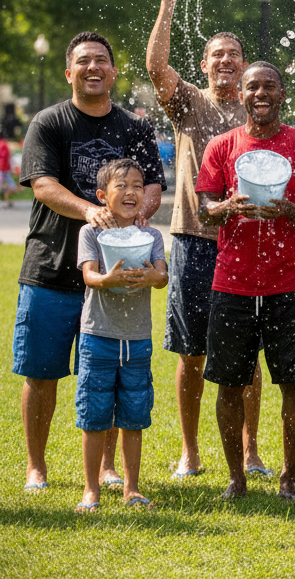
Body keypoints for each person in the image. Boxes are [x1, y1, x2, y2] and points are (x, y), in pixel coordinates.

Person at [15, 32, 164, 492]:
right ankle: (36, 466)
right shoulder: (49, 122)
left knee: (110, 374)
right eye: (83, 61)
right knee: (42, 372)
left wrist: (139, 212)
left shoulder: (135, 128)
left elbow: (153, 186)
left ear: (114, 72)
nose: (93, 67)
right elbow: (42, 184)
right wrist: (90, 210)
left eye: (101, 60)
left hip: (116, 275)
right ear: (69, 72)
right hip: (51, 268)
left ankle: (107, 468)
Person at [146, 0, 269, 480]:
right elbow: (156, 67)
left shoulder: (258, 110)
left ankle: (251, 451)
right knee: (191, 351)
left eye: (234, 55)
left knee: (248, 353)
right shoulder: (190, 103)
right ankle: (190, 452)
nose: (226, 61)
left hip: (247, 245)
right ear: (204, 65)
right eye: (217, 54)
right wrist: (168, 4)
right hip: (194, 241)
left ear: (244, 65)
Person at [196, 62, 295, 500]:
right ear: (240, 94)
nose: (260, 94)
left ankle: (289, 476)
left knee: (294, 383)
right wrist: (229, 207)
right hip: (231, 284)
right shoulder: (222, 146)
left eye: (270, 86)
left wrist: (287, 209)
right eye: (252, 87)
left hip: (287, 284)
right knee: (229, 384)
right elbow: (204, 212)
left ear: (282, 94)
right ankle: (237, 477)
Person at [74, 159, 168, 512]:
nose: (131, 192)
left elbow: (162, 276)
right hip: (98, 335)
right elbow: (90, 277)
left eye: (137, 186)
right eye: (122, 186)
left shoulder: (150, 236)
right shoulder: (91, 233)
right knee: (94, 416)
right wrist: (107, 280)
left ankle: (132, 488)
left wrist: (153, 277)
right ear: (102, 195)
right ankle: (91, 490)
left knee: (134, 415)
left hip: (137, 338)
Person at [0, 138, 17, 206]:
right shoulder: (4, 145)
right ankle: (6, 201)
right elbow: (6, 157)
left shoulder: (3, 144)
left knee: (10, 186)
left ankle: (6, 201)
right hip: (4, 169)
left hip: (4, 169)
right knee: (11, 186)